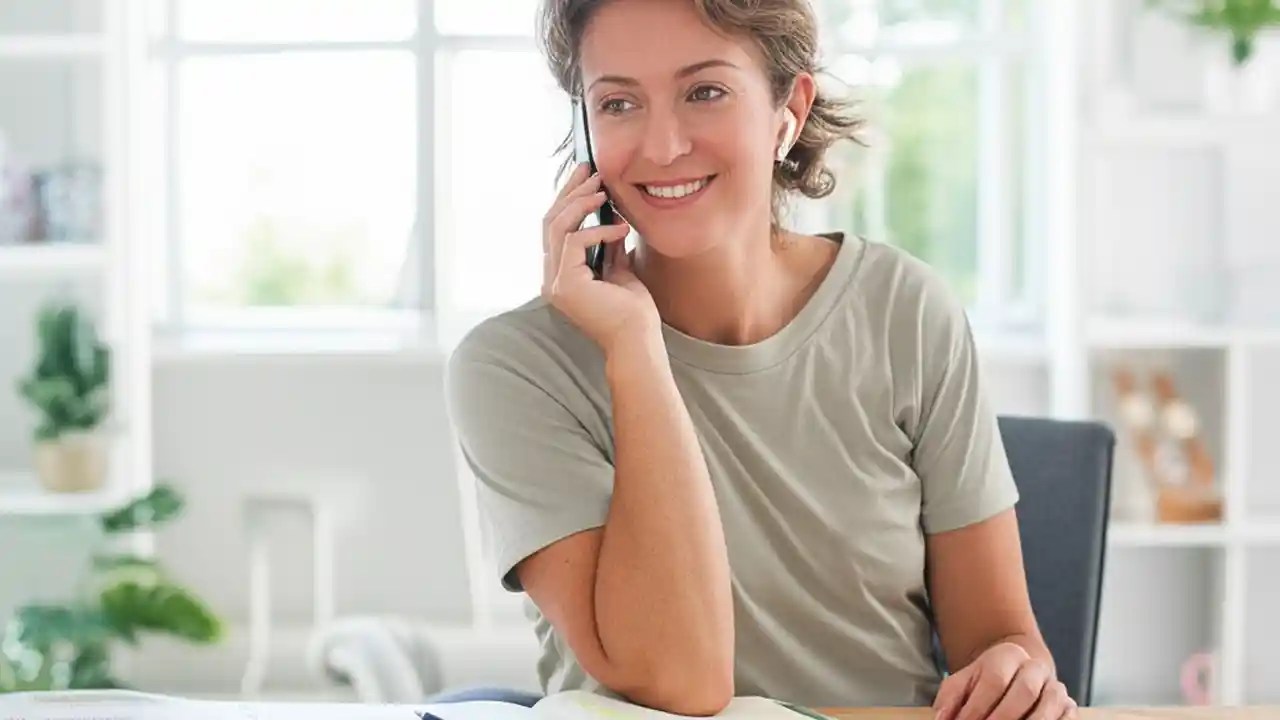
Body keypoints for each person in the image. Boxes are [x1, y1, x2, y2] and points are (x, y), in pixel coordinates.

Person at [444, 1, 1077, 718]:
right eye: (617, 102)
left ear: (789, 111)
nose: (661, 144)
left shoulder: (905, 312)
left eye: (704, 91)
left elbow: (1003, 640)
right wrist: (636, 352)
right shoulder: (517, 368)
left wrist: (1013, 674)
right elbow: (679, 682)